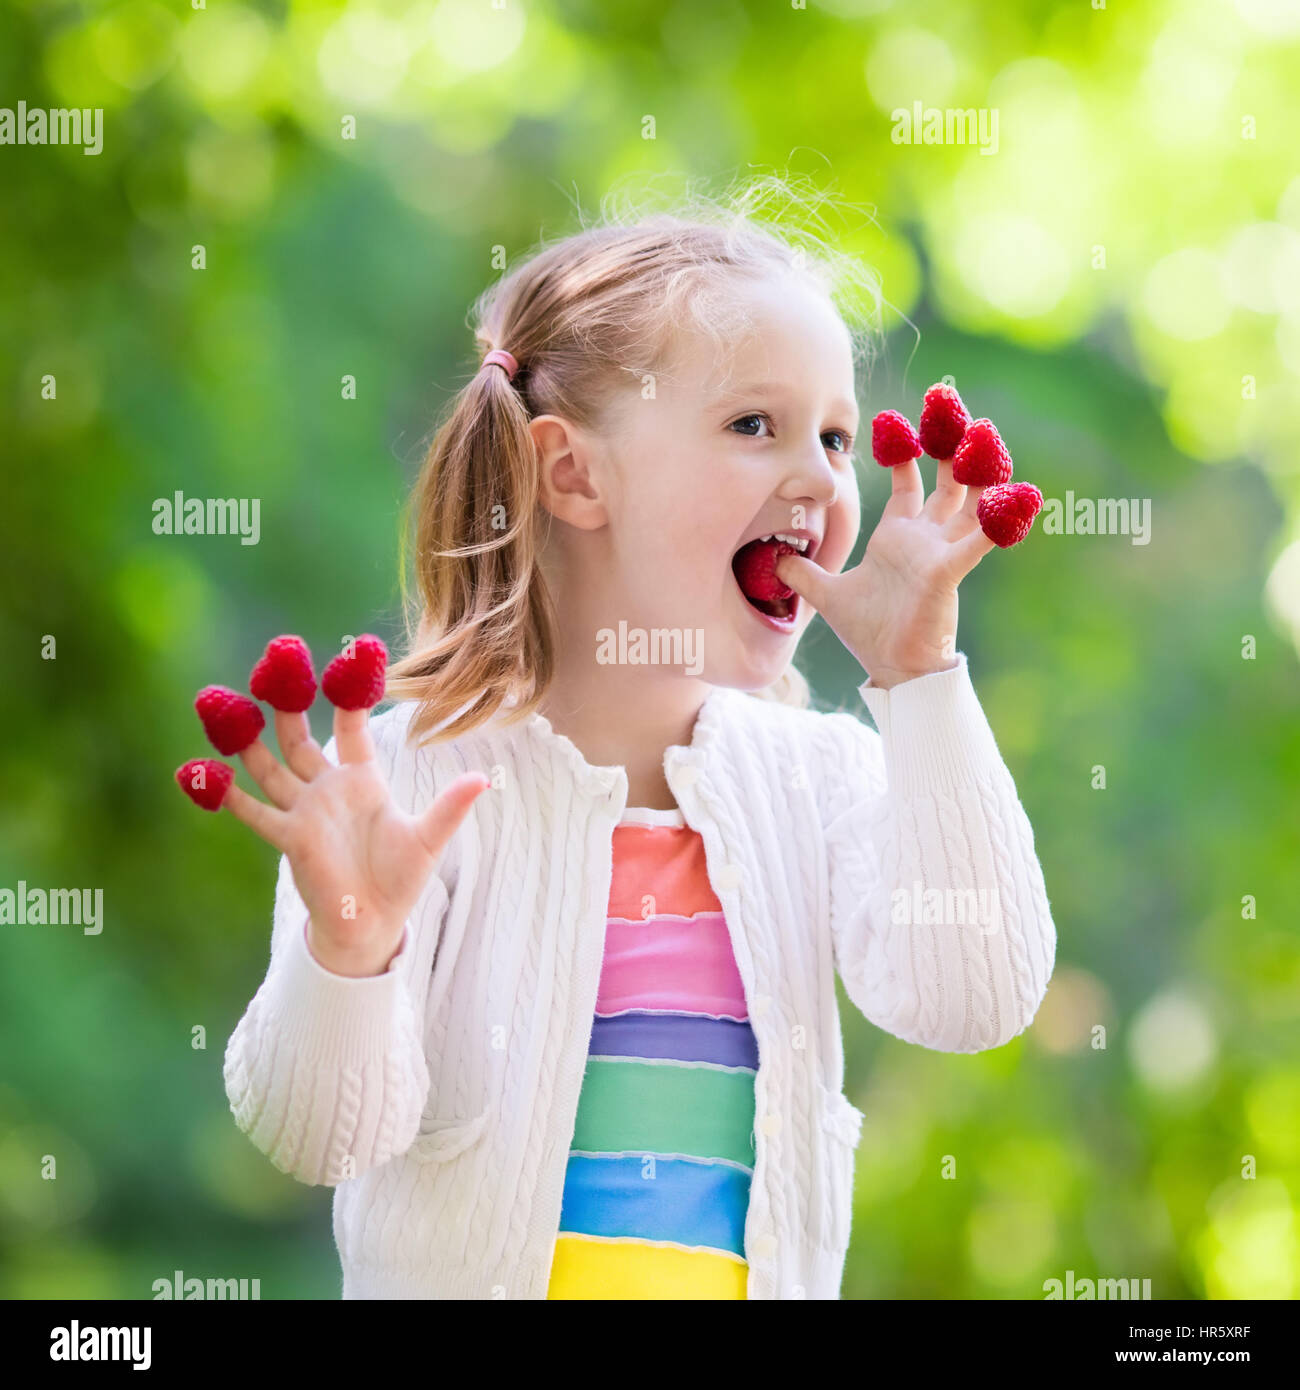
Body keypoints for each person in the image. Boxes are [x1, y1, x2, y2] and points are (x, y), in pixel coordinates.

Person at [215, 182, 1056, 1299]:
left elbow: (975, 996)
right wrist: (349, 944)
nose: (818, 475)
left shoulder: (823, 778)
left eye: (837, 436)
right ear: (574, 474)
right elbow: (315, 1135)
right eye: (754, 425)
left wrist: (919, 682)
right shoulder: (416, 773)